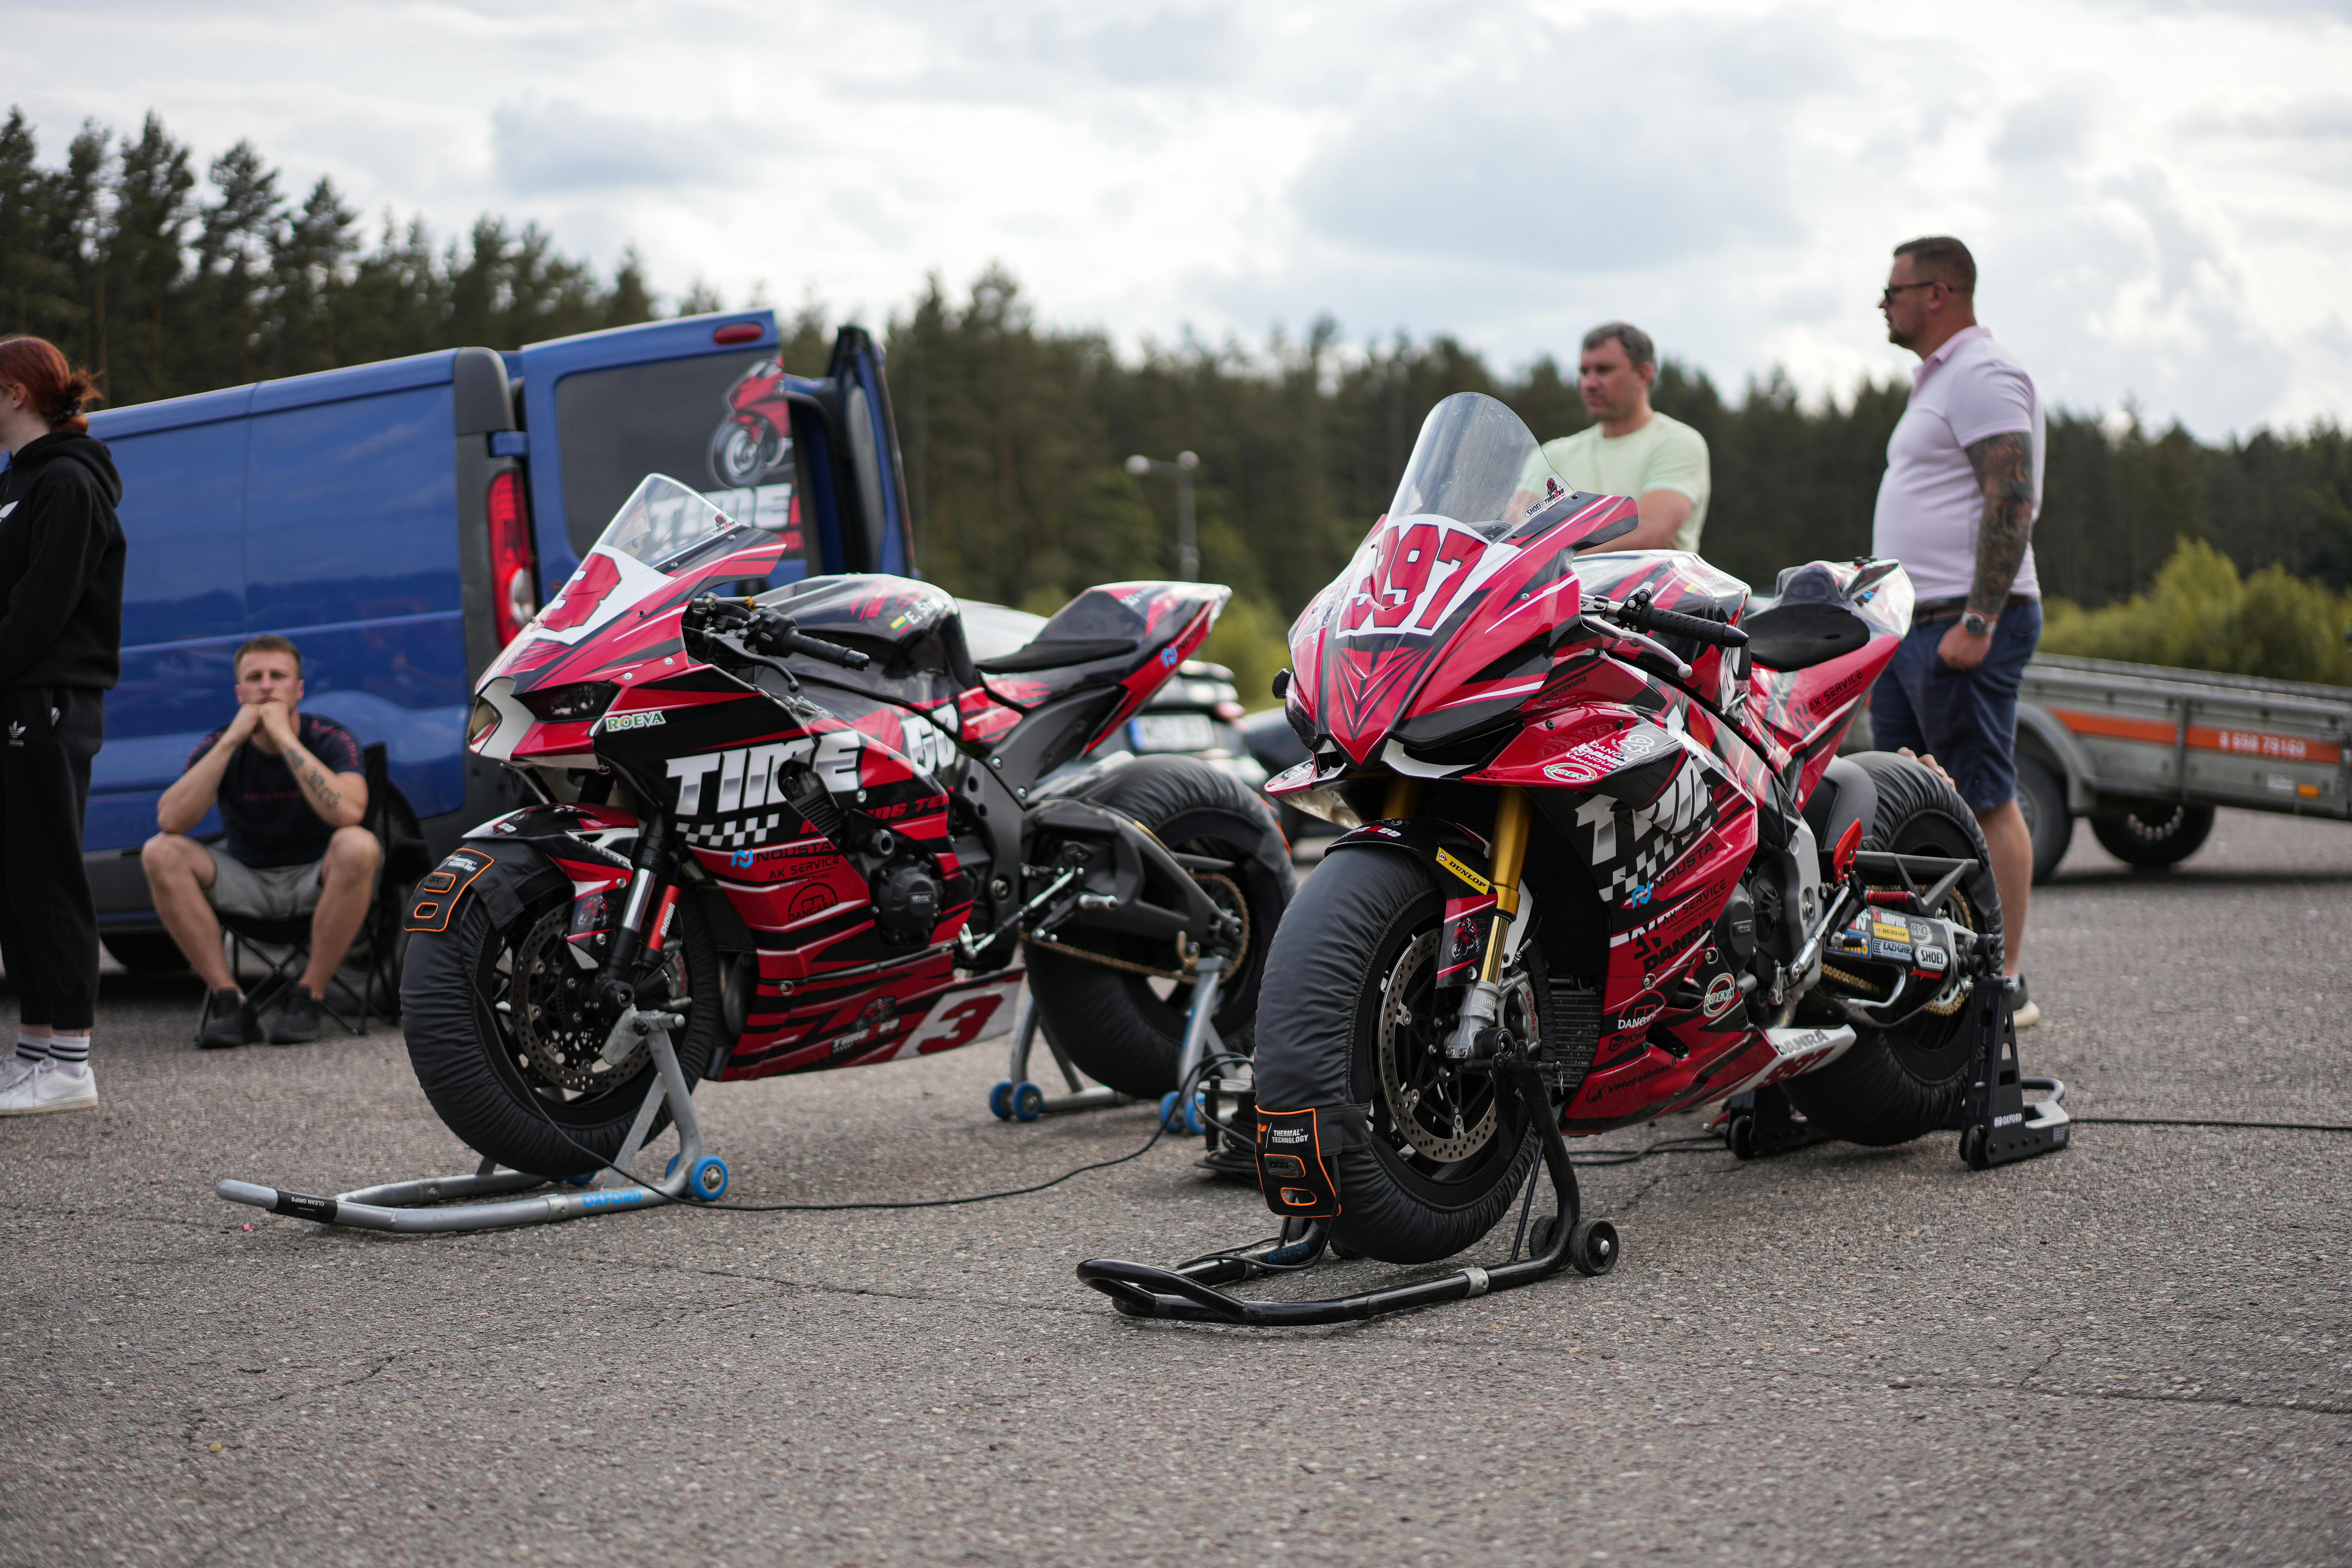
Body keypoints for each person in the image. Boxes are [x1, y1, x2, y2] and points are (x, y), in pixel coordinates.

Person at [1866, 235, 2044, 1028]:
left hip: (1961, 626)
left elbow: (2012, 495)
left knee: (1984, 799)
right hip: (1917, 625)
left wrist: (1979, 619)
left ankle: (2004, 985)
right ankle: (1937, 973)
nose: (1885, 302)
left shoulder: (1982, 373)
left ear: (1939, 293)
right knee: (1913, 796)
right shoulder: (1938, 380)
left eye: (1895, 290)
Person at [143, 635, 378, 1046]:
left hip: (316, 878)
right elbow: (171, 819)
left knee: (359, 844)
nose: (267, 686)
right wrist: (233, 740)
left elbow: (348, 813)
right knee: (160, 852)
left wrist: (285, 738)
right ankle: (229, 999)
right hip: (246, 878)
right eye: (255, 678)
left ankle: (309, 995)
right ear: (239, 693)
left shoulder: (331, 738)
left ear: (299, 689)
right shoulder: (220, 744)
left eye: (278, 676)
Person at [0, 337, 124, 1117]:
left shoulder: (72, 482)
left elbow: (43, 606)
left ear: (14, 392)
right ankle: (35, 1047)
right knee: (16, 878)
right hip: (17, 696)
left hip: (47, 697)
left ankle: (70, 1059)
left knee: (47, 872)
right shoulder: (19, 483)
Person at [1539, 322, 1712, 553]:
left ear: (1643, 375)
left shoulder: (1678, 442)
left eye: (1604, 370)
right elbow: (1515, 533)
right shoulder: (1553, 454)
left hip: (1648, 590)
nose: (1590, 383)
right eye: (1584, 371)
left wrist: (1548, 552)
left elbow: (1649, 533)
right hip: (1561, 590)